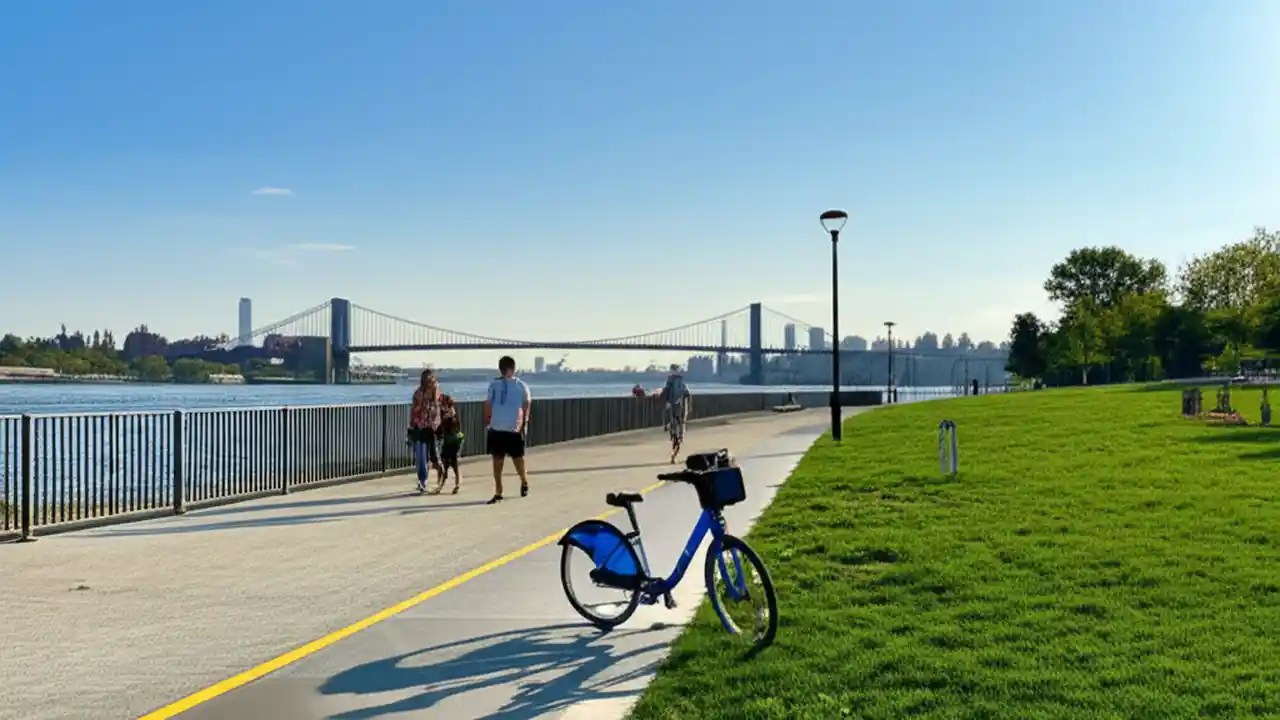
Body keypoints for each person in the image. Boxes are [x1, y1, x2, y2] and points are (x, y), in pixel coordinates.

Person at [483, 355, 531, 504]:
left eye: (507, 368)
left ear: (512, 369)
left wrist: (524, 422)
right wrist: (488, 420)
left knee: (518, 460)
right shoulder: (494, 385)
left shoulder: (521, 385)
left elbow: (527, 403)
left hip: (514, 429)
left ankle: (524, 481)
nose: (505, 371)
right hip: (497, 428)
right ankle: (499, 491)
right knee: (497, 462)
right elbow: (488, 403)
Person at [409, 369, 446, 492]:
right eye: (426, 379)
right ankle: (422, 481)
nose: (427, 381)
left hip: (430, 429)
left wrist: (435, 425)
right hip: (419, 428)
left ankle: (438, 472)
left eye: (430, 379)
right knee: (420, 457)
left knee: (430, 457)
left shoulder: (435, 391)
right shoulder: (418, 393)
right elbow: (413, 409)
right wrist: (412, 424)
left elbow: (436, 409)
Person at [660, 364, 692, 463]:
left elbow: (666, 395)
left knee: (675, 435)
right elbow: (687, 394)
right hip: (678, 412)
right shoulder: (678, 382)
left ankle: (673, 455)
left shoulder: (671, 382)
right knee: (677, 435)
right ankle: (673, 456)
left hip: (675, 412)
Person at [438, 394, 464, 494]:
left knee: (447, 463)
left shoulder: (445, 415)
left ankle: (443, 485)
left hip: (449, 440)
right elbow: (458, 426)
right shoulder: (453, 413)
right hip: (453, 440)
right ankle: (456, 483)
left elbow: (441, 428)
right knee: (453, 463)